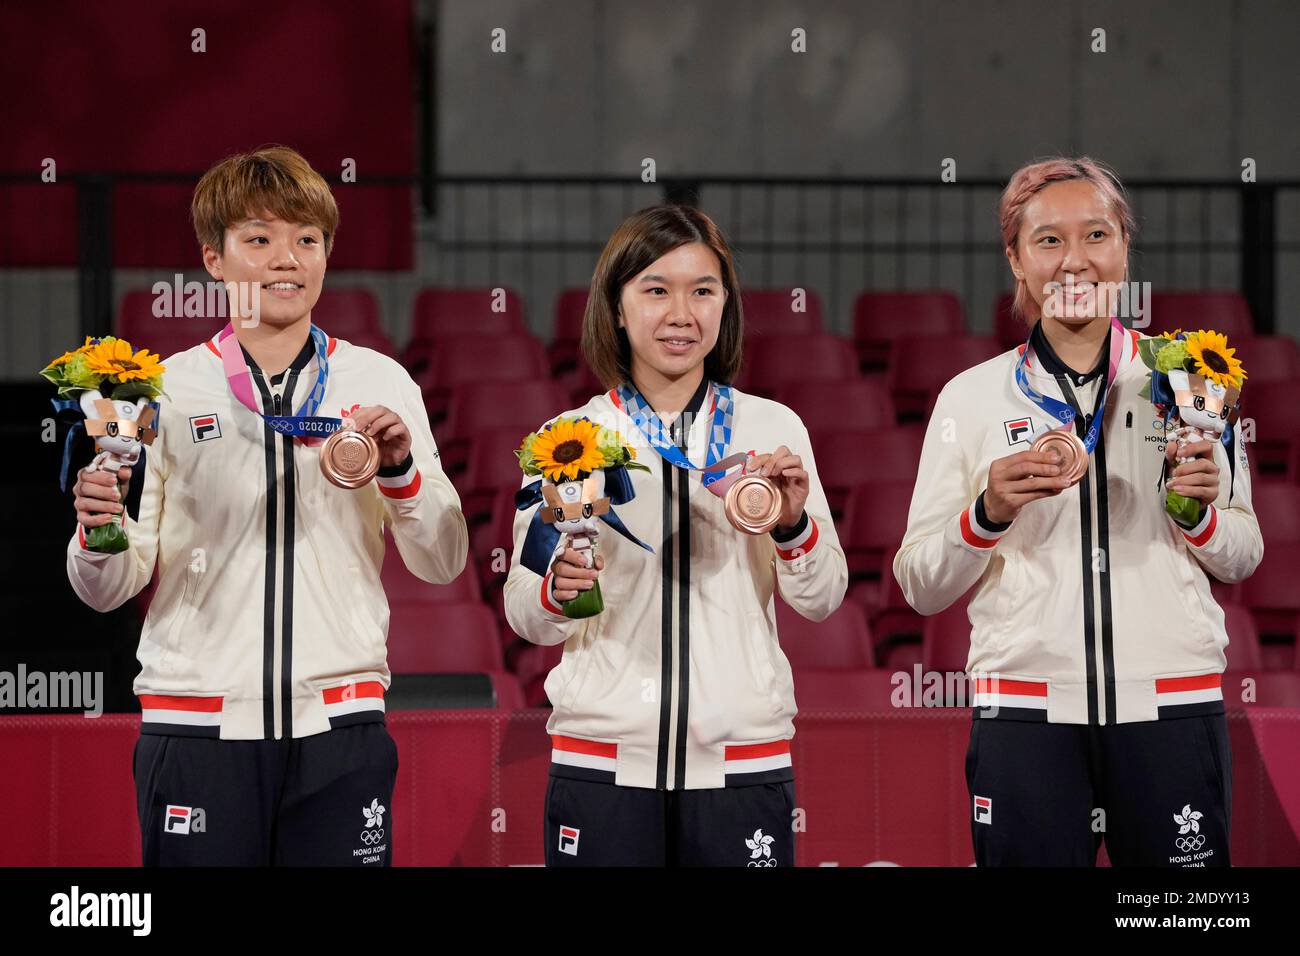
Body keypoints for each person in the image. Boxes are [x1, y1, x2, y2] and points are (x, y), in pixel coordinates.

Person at [66, 145, 468, 866]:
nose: (288, 258)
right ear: (213, 260)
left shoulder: (380, 380)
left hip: (341, 726)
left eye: (306, 240)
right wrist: (100, 532)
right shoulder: (165, 389)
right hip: (197, 725)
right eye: (259, 239)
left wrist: (402, 471)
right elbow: (109, 591)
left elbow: (442, 562)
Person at [894, 157, 1262, 866]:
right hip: (1028, 715)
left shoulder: (1190, 378)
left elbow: (1243, 554)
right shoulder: (969, 399)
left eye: (1095, 234)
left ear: (1124, 247)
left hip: (1171, 708)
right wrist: (988, 511)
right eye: (1048, 240)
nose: (1075, 260)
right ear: (1016, 258)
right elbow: (920, 582)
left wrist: (1198, 513)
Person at [504, 204, 848, 867]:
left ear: (727, 306)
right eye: (656, 290)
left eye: (703, 290)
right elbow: (525, 613)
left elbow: (823, 596)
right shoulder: (565, 439)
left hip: (741, 761)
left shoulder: (771, 429)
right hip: (602, 764)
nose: (681, 313)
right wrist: (555, 589)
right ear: (618, 306)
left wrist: (791, 524)